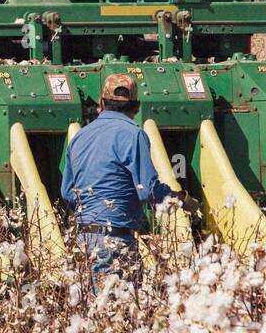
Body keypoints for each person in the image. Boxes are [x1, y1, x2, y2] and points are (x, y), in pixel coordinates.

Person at [60, 73, 182, 285]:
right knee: (121, 312)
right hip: (115, 243)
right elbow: (148, 191)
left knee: (92, 312)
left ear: (101, 103)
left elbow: (68, 193)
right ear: (136, 107)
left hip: (82, 242)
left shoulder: (79, 137)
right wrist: (178, 198)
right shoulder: (134, 134)